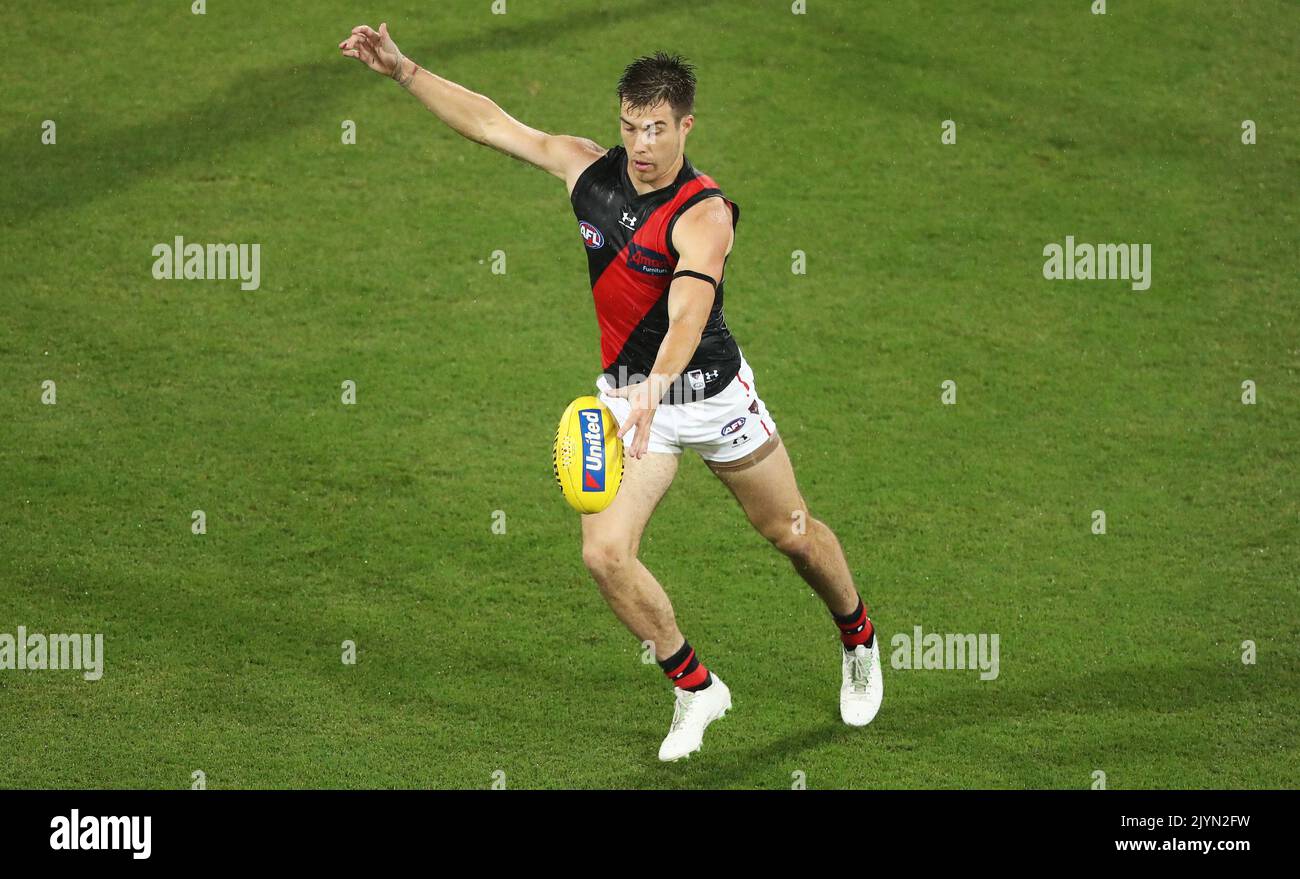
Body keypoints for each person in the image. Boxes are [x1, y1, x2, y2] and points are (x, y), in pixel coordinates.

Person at [339, 24, 883, 761]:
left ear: (686, 125)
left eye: (657, 129)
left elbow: (690, 309)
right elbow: (493, 123)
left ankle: (857, 636)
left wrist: (661, 383)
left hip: (711, 397)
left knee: (790, 533)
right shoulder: (588, 172)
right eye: (630, 126)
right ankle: (695, 686)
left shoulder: (704, 213)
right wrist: (404, 70)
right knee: (604, 553)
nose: (642, 144)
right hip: (632, 400)